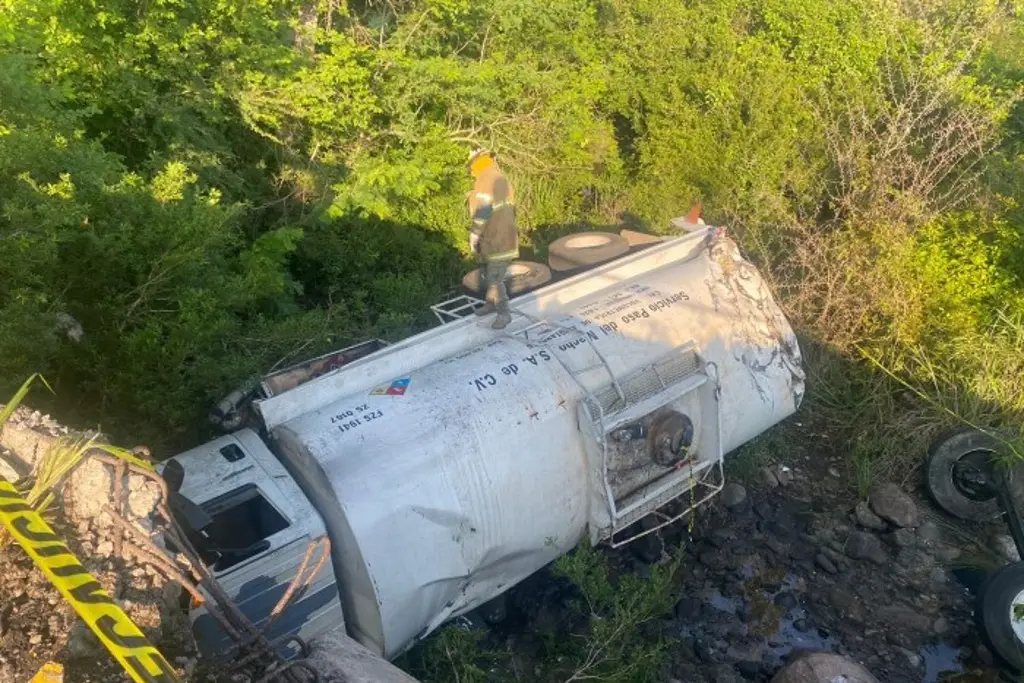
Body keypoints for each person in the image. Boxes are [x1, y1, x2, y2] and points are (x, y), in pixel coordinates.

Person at [467, 148, 518, 329]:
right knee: (487, 273)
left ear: (477, 164)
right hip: (493, 239)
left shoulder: (487, 181)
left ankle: (504, 314)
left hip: (497, 240)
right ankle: (491, 304)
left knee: (494, 278)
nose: (470, 171)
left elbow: (484, 210)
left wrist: (474, 234)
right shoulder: (496, 178)